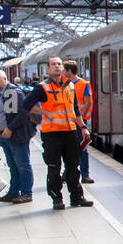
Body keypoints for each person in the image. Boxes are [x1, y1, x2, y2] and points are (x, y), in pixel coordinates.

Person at [23, 56, 92, 210]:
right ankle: (57, 198)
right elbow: (26, 104)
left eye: (59, 64)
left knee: (73, 167)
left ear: (63, 68)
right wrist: (44, 112)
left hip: (70, 132)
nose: (57, 67)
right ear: (48, 69)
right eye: (53, 64)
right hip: (52, 134)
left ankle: (77, 197)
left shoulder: (70, 86)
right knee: (54, 168)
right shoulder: (43, 87)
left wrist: (83, 127)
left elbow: (75, 109)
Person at [0, 69, 34, 204]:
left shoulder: (13, 92)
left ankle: (26, 193)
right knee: (12, 166)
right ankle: (14, 192)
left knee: (22, 165)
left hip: (16, 135)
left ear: (4, 78)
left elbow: (23, 113)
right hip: (4, 134)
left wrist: (10, 128)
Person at [63, 59, 95, 184]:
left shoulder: (83, 84)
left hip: (79, 122)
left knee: (82, 147)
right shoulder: (63, 84)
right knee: (67, 148)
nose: (62, 73)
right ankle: (67, 172)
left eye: (64, 70)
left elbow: (87, 103)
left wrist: (79, 119)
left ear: (69, 71)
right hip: (67, 122)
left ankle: (85, 174)